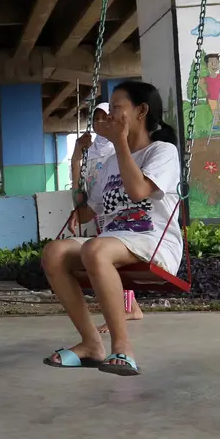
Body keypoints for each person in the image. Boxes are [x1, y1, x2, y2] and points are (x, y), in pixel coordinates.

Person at [40, 81, 183, 376]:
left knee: (96, 248)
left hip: (152, 239)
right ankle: (91, 344)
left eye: (117, 108)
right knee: (54, 252)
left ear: (141, 111)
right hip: (113, 241)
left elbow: (139, 191)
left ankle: (123, 348)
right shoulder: (108, 164)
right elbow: (85, 212)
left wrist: (119, 143)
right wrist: (78, 158)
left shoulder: (163, 152)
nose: (109, 115)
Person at [71, 102, 143, 335]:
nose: (100, 122)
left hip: (115, 207)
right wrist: (76, 154)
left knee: (106, 256)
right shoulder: (89, 151)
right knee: (102, 256)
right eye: (96, 118)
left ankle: (124, 310)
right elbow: (78, 182)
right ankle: (131, 308)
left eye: (105, 117)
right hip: (95, 205)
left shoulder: (117, 149)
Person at [199, 53, 220, 129]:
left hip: (219, 97)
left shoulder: (219, 76)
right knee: (214, 111)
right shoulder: (207, 78)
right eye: (212, 63)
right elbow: (200, 82)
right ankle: (217, 123)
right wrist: (206, 92)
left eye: (216, 63)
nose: (214, 65)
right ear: (207, 65)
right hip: (211, 98)